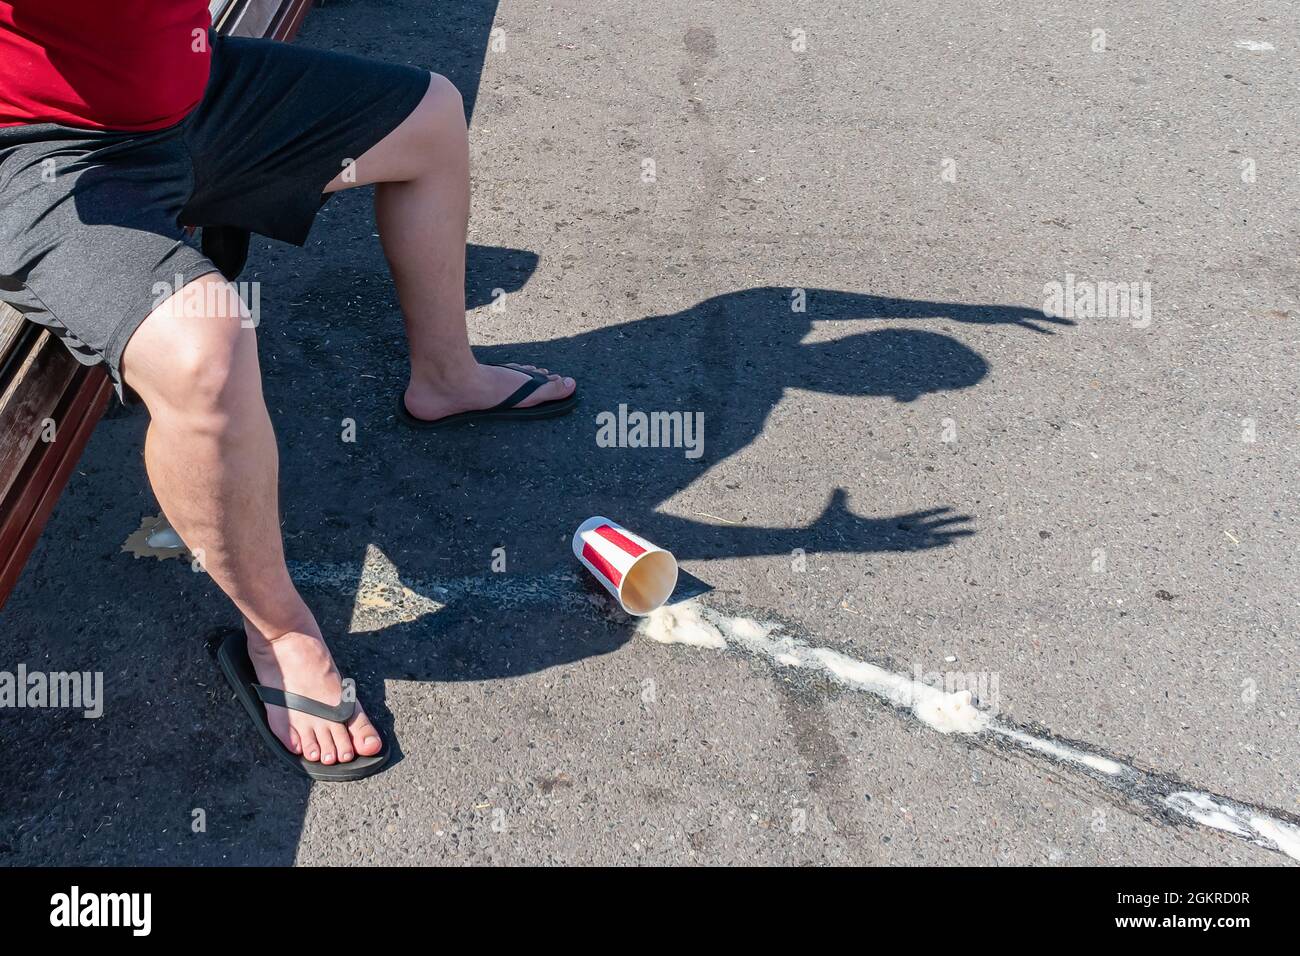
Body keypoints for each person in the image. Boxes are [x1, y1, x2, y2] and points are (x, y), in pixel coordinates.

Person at [0, 0, 577, 779]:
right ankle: (279, 634)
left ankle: (447, 376)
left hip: (190, 95)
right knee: (209, 349)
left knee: (430, 116)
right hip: (45, 156)